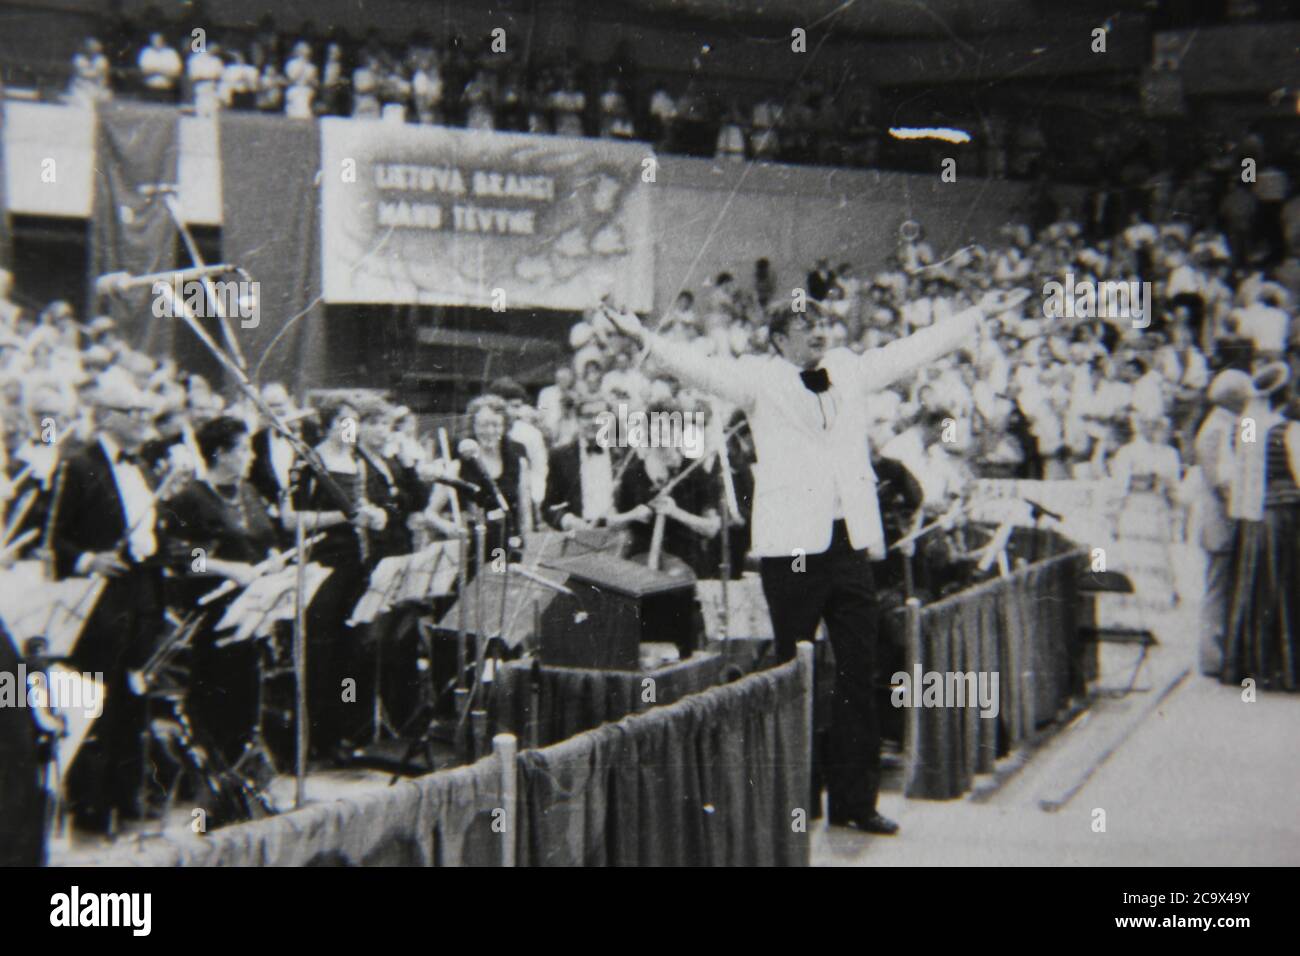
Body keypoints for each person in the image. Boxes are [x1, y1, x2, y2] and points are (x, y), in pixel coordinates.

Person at [600, 288, 1022, 834]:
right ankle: (795, 798)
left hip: (850, 543)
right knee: (793, 671)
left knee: (858, 668)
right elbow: (697, 367)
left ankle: (856, 801)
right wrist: (641, 334)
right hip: (792, 548)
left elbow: (912, 351)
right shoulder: (758, 378)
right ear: (779, 340)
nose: (821, 333)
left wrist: (977, 311)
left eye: (824, 324)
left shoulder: (847, 367)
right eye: (807, 327)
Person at [49, 374, 166, 832]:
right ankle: (89, 803)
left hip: (140, 597)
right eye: (135, 413)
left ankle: (126, 794)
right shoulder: (78, 466)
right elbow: (52, 537)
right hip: (99, 600)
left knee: (133, 698)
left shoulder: (144, 468)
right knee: (96, 698)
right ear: (109, 417)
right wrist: (87, 559)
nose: (144, 422)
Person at [157, 416, 276, 764]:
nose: (251, 456)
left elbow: (263, 538)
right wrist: (227, 568)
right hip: (212, 611)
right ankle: (215, 766)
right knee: (218, 692)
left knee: (248, 689)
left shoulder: (249, 491)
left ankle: (242, 767)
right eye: (243, 449)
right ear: (221, 453)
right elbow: (183, 556)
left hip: (252, 607)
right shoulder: (191, 498)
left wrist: (271, 559)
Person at [281, 397, 389, 761]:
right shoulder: (312, 461)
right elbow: (291, 519)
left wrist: (372, 516)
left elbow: (361, 510)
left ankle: (346, 731)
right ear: (328, 424)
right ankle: (317, 736)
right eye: (345, 422)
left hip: (356, 564)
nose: (351, 430)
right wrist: (343, 518)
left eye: (355, 422)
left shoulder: (356, 462)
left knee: (352, 651)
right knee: (321, 653)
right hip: (323, 566)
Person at [1223, 362, 1300, 691]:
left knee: (1254, 586)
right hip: (1283, 515)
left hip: (1254, 517)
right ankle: (1283, 667)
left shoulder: (1247, 427)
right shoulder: (1288, 429)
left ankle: (1251, 662)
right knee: (1285, 587)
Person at [1192, 370, 1252, 677]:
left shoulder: (1222, 425)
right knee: (1218, 590)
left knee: (1222, 588)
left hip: (1222, 521)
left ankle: (1221, 653)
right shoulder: (1216, 429)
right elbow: (1220, 479)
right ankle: (1213, 657)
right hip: (1220, 522)